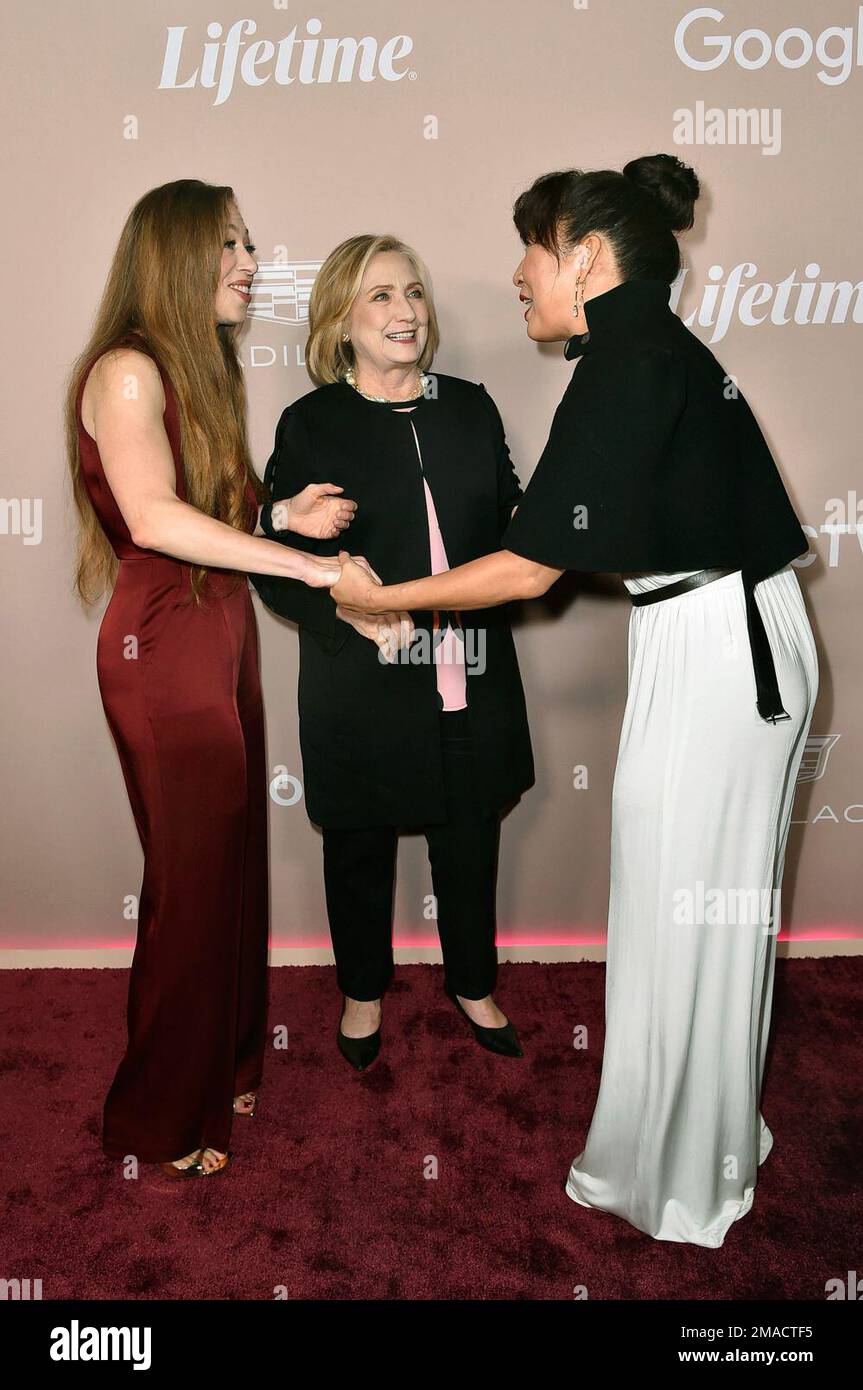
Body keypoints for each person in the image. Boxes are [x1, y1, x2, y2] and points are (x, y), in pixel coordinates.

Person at [331, 155, 818, 1245]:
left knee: (692, 899)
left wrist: (385, 593)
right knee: (683, 896)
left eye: (531, 251)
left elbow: (527, 567)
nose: (514, 276)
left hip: (722, 644)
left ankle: (689, 1169)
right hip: (709, 631)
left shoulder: (628, 359)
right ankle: (695, 1133)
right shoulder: (636, 349)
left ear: (584, 258)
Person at [67, 179, 348, 1179]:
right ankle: (151, 1117)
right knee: (190, 887)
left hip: (218, 632)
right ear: (175, 254)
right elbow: (151, 520)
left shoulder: (201, 372)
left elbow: (209, 521)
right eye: (228, 242)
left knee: (228, 869)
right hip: (163, 647)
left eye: (249, 242)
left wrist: (280, 521)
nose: (248, 260)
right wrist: (309, 566)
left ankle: (224, 1061)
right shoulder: (130, 371)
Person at [249, 234, 534, 1069]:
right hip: (362, 682)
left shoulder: (470, 405)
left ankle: (473, 984)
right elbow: (279, 570)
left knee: (470, 832)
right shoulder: (311, 422)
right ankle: (362, 993)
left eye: (411, 292)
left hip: (471, 669)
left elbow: (515, 522)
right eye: (378, 296)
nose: (403, 311)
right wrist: (353, 614)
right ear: (339, 318)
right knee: (360, 844)